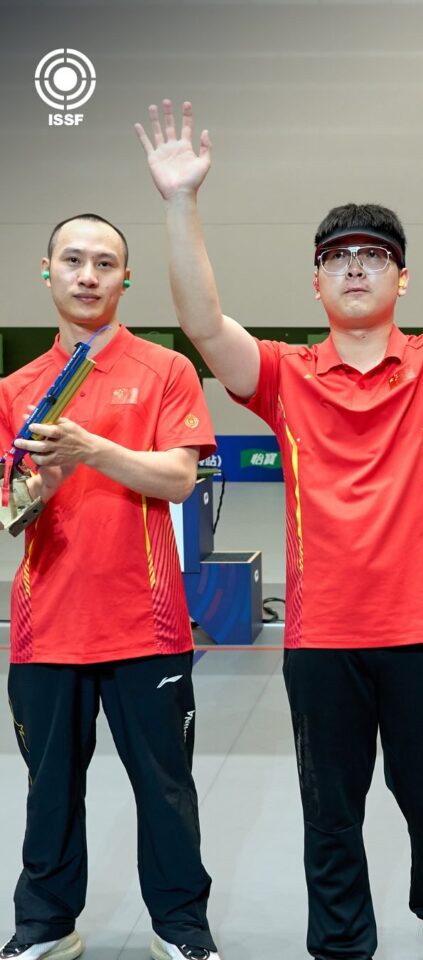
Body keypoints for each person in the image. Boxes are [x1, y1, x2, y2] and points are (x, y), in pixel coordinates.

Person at [136, 98, 423, 960]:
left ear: (400, 279)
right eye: (336, 259)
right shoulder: (284, 376)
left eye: (373, 258)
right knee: (329, 813)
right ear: (315, 282)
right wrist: (179, 202)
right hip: (323, 638)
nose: (354, 269)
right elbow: (202, 326)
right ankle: (342, 947)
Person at [0, 213, 221, 960]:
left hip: (145, 627)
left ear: (126, 279)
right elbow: (7, 510)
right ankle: (45, 927)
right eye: (73, 260)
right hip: (46, 630)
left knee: (166, 792)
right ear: (48, 271)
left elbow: (180, 477)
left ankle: (181, 929)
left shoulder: (166, 371)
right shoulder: (15, 390)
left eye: (104, 263)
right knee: (48, 792)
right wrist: (38, 485)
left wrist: (92, 448)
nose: (88, 274)